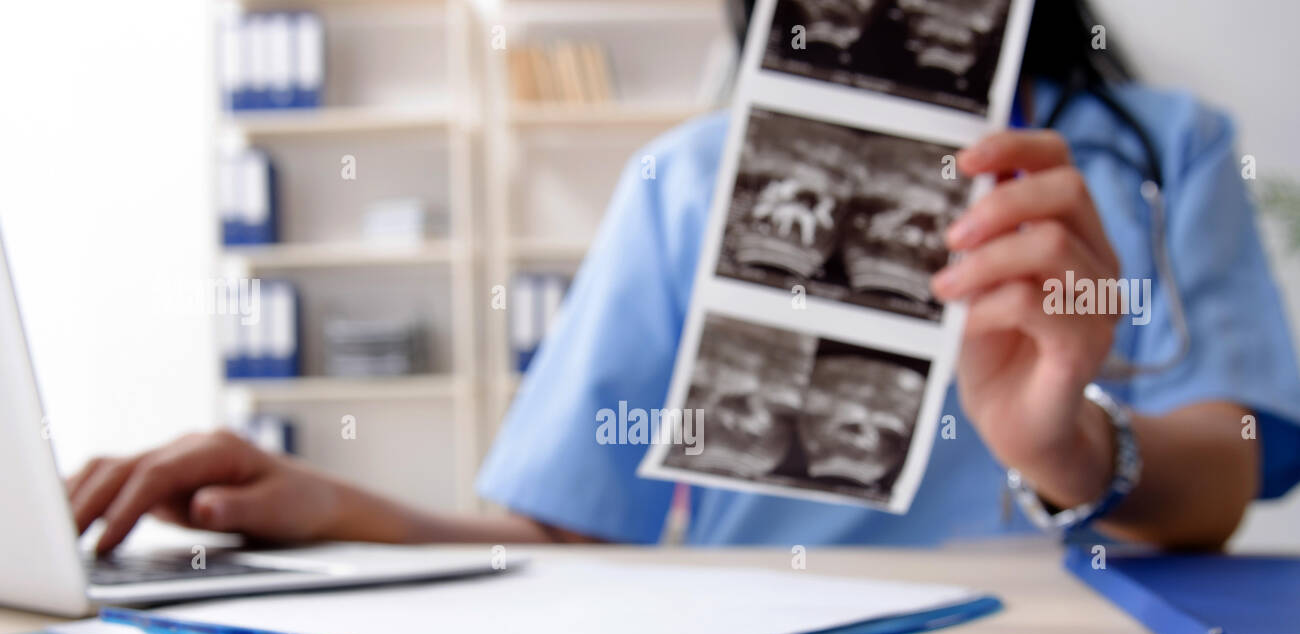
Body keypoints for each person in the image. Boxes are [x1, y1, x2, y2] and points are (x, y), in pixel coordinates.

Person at [68, 0, 1300, 554]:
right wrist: (334, 514)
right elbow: (562, 529)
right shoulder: (687, 180)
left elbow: (1232, 465)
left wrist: (1070, 448)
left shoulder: (1161, 151)